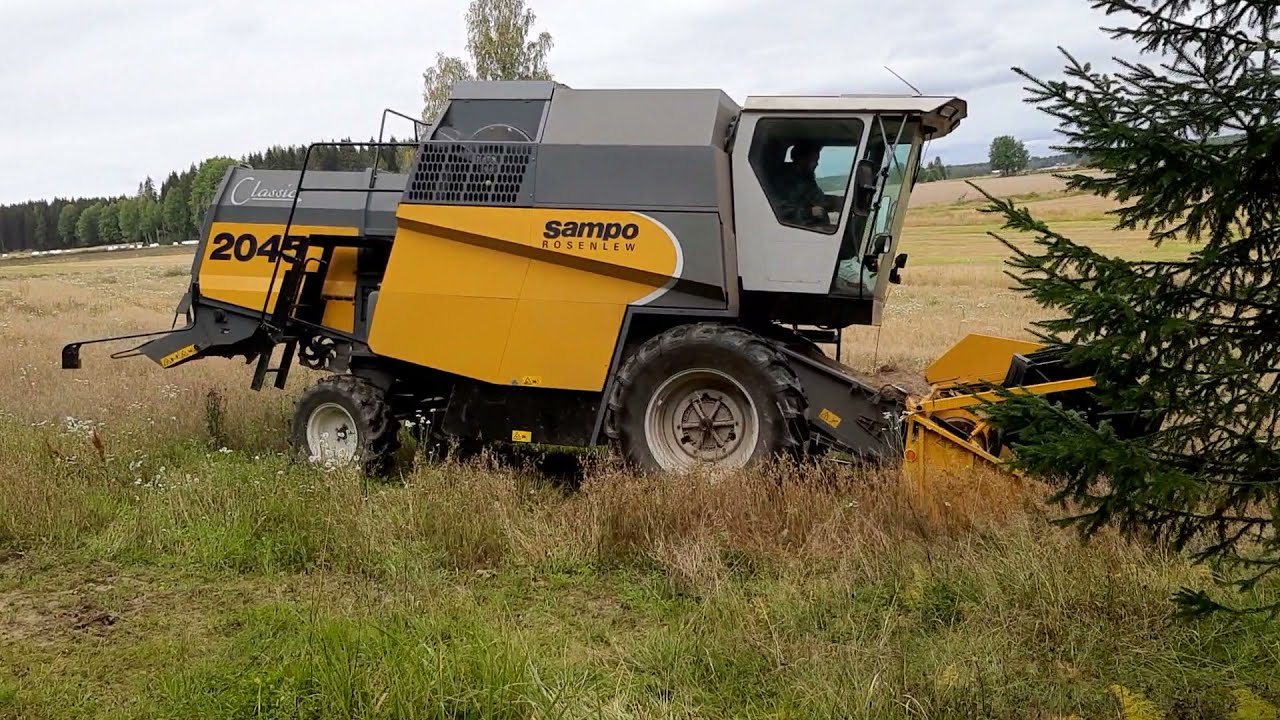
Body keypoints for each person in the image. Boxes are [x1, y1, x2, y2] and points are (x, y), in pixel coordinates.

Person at [775, 140, 842, 226]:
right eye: (814, 160)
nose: (817, 164)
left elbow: (818, 199)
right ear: (802, 159)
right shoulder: (785, 181)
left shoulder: (806, 178)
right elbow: (781, 212)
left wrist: (838, 202)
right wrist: (809, 212)